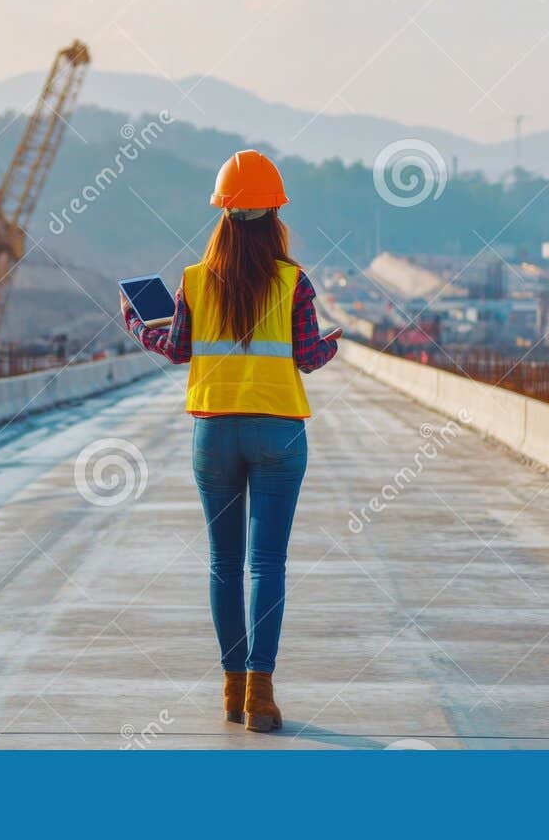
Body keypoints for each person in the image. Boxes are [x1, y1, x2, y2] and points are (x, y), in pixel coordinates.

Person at [120, 149, 340, 733]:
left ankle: (230, 690)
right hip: (278, 434)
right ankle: (261, 697)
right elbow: (310, 358)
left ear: (222, 215)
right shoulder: (294, 282)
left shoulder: (194, 282)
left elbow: (177, 349)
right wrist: (334, 342)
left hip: (213, 434)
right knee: (267, 563)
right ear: (275, 217)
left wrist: (137, 323)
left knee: (224, 565)